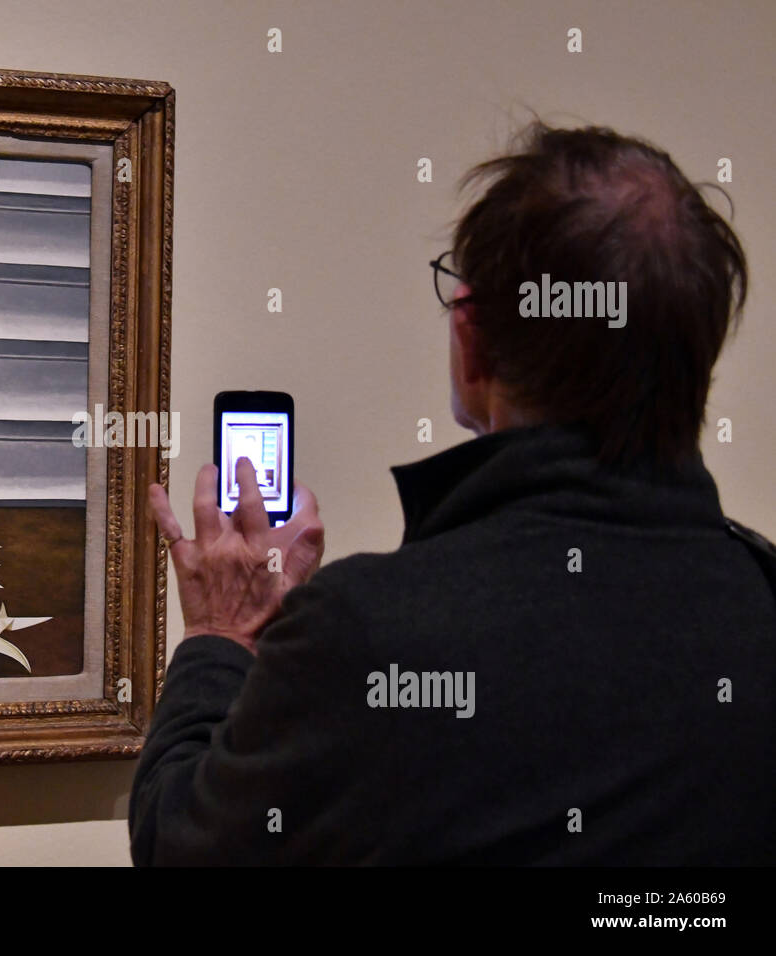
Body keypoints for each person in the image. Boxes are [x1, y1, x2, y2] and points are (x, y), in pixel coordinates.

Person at [129, 120, 776, 865]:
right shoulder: (761, 606)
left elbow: (183, 848)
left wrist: (222, 637)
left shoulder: (368, 634)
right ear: (698, 362)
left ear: (472, 339)